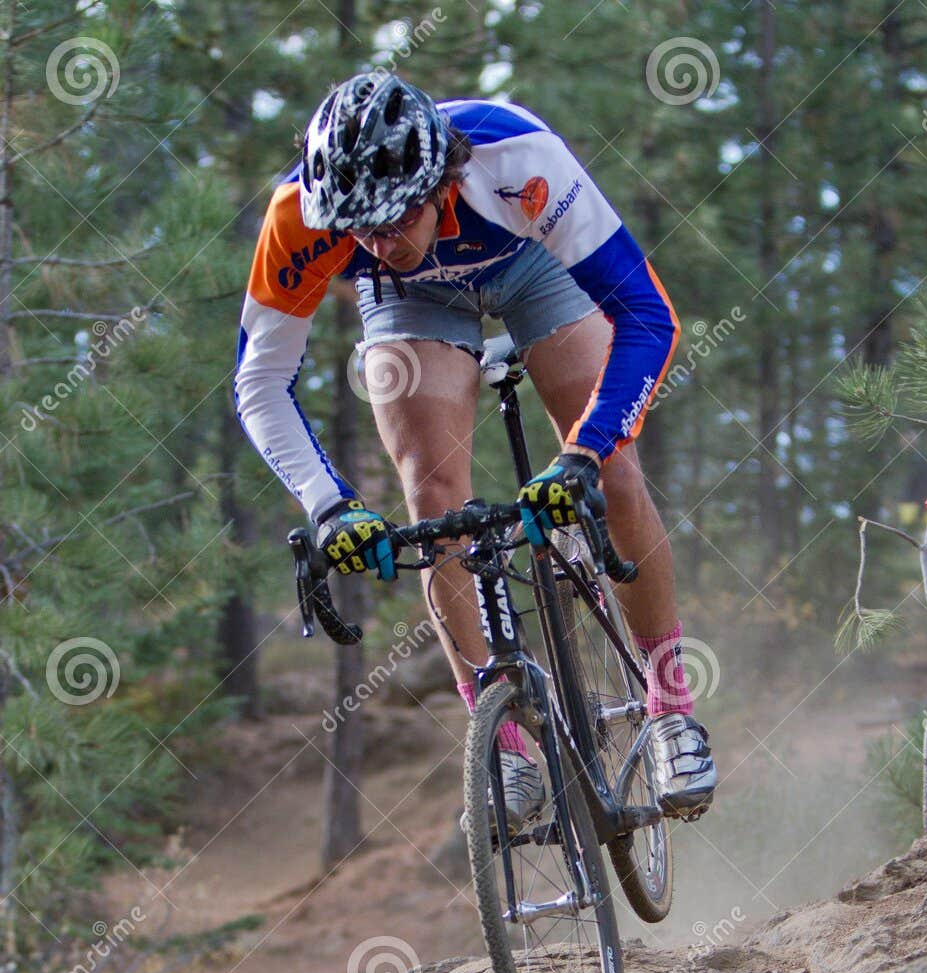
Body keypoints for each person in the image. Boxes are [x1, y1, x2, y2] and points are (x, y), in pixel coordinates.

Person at [235, 72, 717, 832]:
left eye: (391, 222)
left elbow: (647, 318)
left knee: (613, 470)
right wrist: (329, 508)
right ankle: (509, 746)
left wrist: (583, 457)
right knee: (434, 509)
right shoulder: (302, 216)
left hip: (533, 266)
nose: (375, 243)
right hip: (410, 307)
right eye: (356, 230)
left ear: (443, 181)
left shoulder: (517, 159)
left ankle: (668, 706)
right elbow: (259, 382)